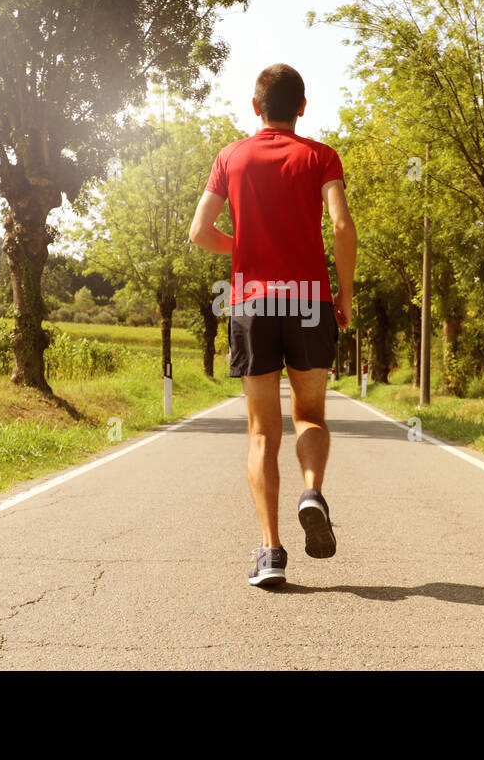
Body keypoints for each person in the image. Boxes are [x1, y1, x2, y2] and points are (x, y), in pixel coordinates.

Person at [189, 63, 358, 588]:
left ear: (255, 106)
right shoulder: (321, 156)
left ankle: (270, 553)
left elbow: (199, 231)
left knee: (263, 432)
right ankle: (312, 491)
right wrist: (343, 294)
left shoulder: (230, 156)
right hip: (310, 301)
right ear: (302, 108)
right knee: (309, 415)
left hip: (253, 303)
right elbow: (342, 225)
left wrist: (246, 248)